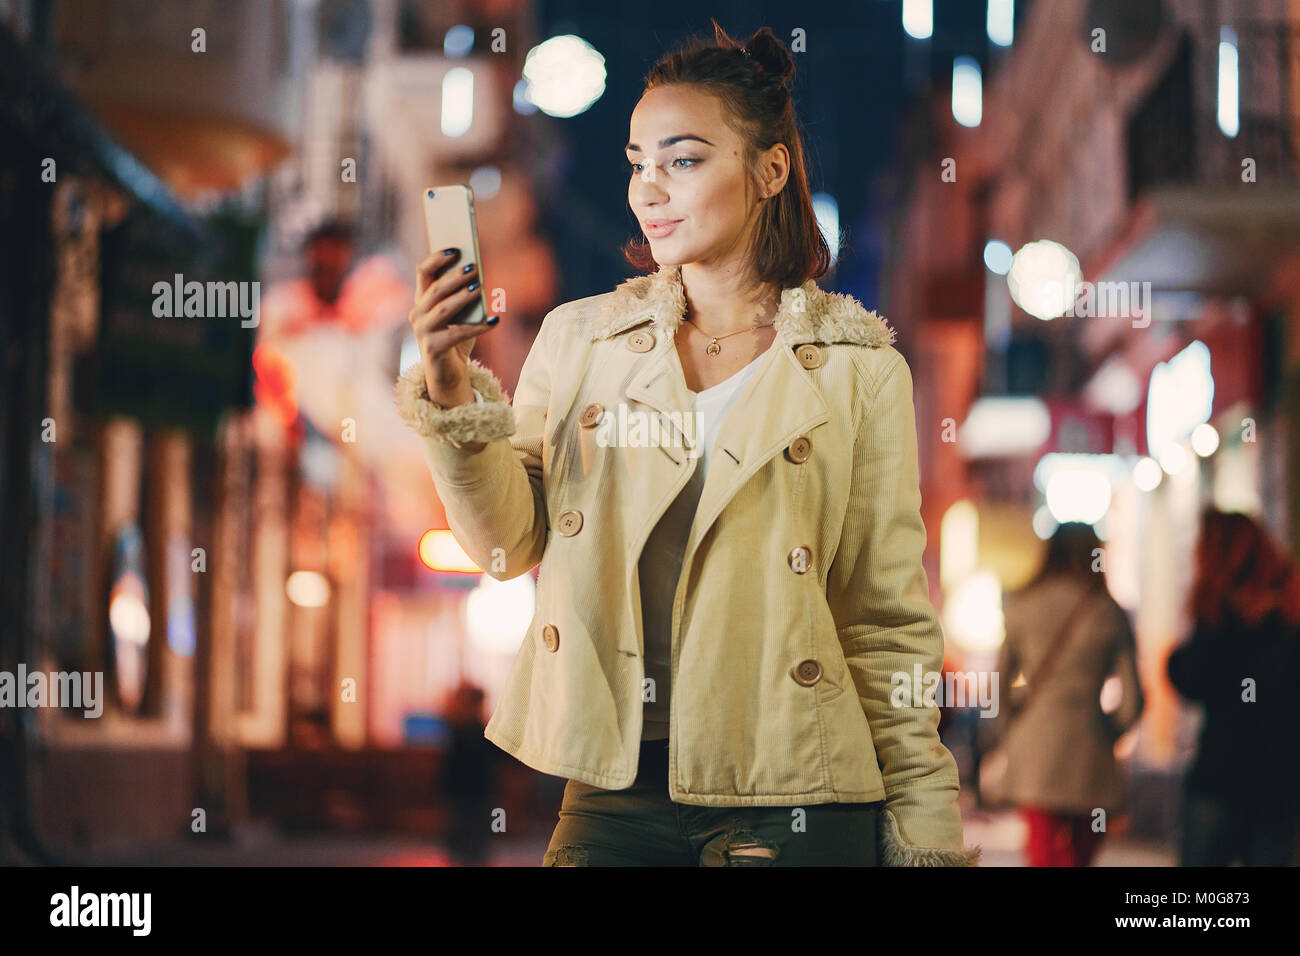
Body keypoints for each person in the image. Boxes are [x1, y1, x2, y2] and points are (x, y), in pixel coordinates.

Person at [395, 23, 980, 867]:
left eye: (683, 159)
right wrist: (449, 384)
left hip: (797, 793)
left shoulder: (861, 371)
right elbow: (505, 540)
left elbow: (886, 626)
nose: (648, 190)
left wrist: (926, 834)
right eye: (638, 162)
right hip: (614, 785)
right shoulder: (580, 343)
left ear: (769, 170)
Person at [995, 522, 1145, 866]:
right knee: (1081, 853)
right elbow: (1134, 698)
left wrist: (1011, 732)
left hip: (1036, 748)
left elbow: (999, 683)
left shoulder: (1022, 605)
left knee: (1043, 849)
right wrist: (1107, 731)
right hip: (1089, 748)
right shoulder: (1109, 612)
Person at [1167, 508, 1300, 866]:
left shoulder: (1218, 612)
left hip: (1221, 777)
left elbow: (1195, 680)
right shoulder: (1289, 607)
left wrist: (1175, 660)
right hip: (1279, 783)